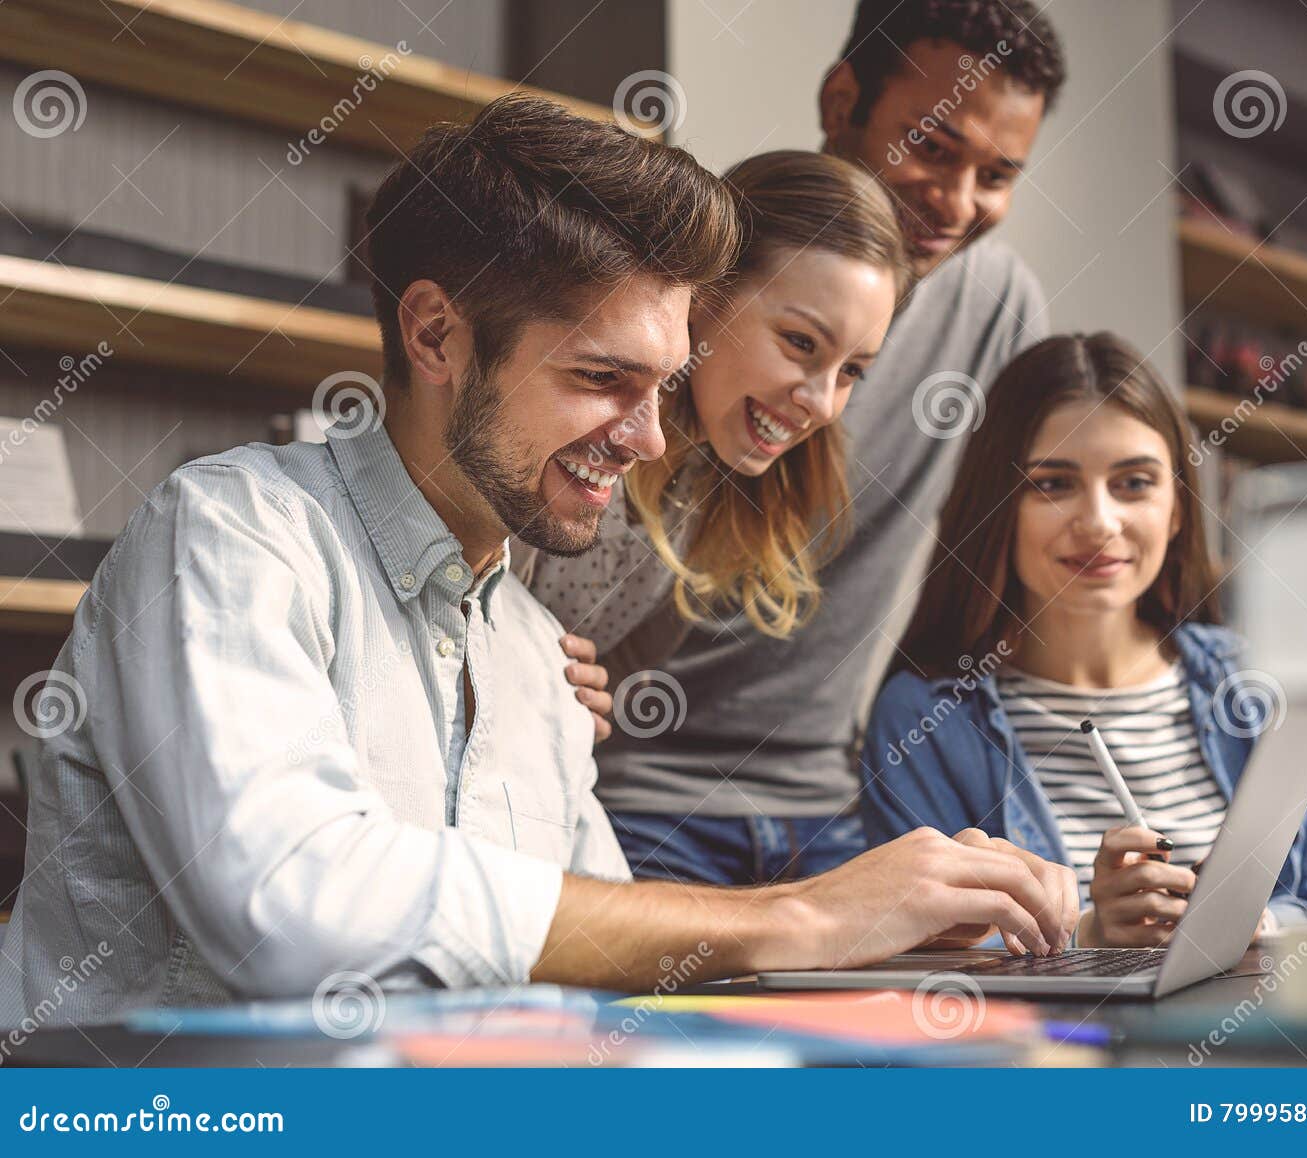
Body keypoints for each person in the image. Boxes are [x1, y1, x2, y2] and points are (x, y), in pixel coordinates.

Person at [0, 95, 1076, 1026]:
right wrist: (797, 915)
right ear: (435, 337)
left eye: (661, 389)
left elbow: (613, 970)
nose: (651, 439)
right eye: (603, 378)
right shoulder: (232, 535)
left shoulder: (529, 653)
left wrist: (897, 961)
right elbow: (290, 905)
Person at [587, 0, 1066, 885]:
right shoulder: (697, 271)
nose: (957, 203)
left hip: (831, 801)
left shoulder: (996, 309)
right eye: (932, 147)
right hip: (639, 798)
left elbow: (997, 572)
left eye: (997, 174)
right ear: (842, 100)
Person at [859, 334, 1307, 947]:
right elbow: (907, 949)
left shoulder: (1259, 685)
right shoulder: (925, 718)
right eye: (1053, 484)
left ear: (1176, 509)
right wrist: (1089, 933)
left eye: (1135, 483)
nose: (1098, 523)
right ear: (998, 507)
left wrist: (1255, 926)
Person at [529, 150, 912, 881]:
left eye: (853, 371)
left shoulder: (714, 476)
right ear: (707, 295)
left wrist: (589, 686)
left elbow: (627, 650)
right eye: (800, 344)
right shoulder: (580, 423)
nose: (821, 403)